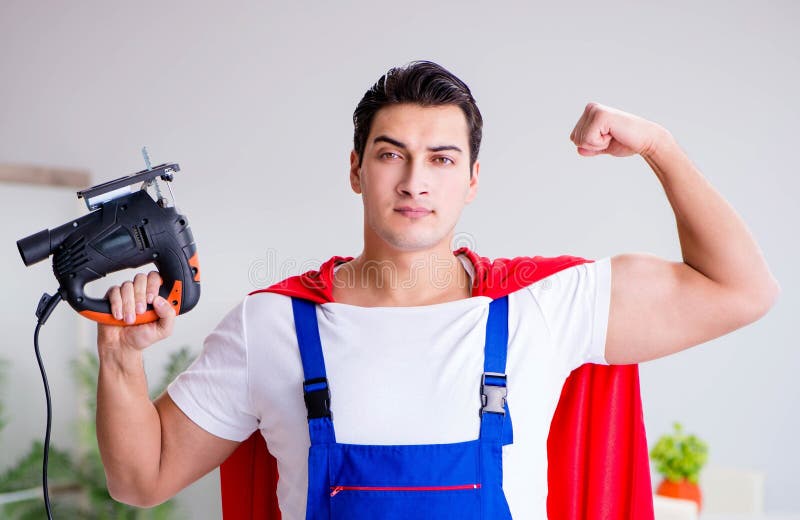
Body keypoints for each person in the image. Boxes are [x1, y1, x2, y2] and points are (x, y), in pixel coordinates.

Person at [95, 61, 780, 518]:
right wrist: (121, 360)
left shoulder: (543, 305)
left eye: (442, 159)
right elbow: (140, 478)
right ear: (357, 170)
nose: (415, 180)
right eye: (392, 154)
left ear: (472, 179)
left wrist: (659, 145)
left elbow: (740, 289)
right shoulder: (270, 325)